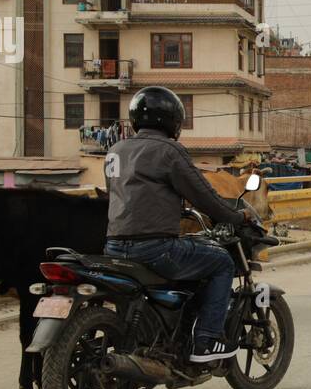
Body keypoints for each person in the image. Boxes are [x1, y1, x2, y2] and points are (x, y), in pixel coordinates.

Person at [103, 86, 258, 364]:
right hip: (155, 248)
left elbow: (123, 195)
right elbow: (205, 197)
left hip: (114, 247)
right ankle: (206, 341)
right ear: (173, 120)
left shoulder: (115, 150)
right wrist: (236, 216)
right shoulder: (169, 151)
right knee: (221, 261)